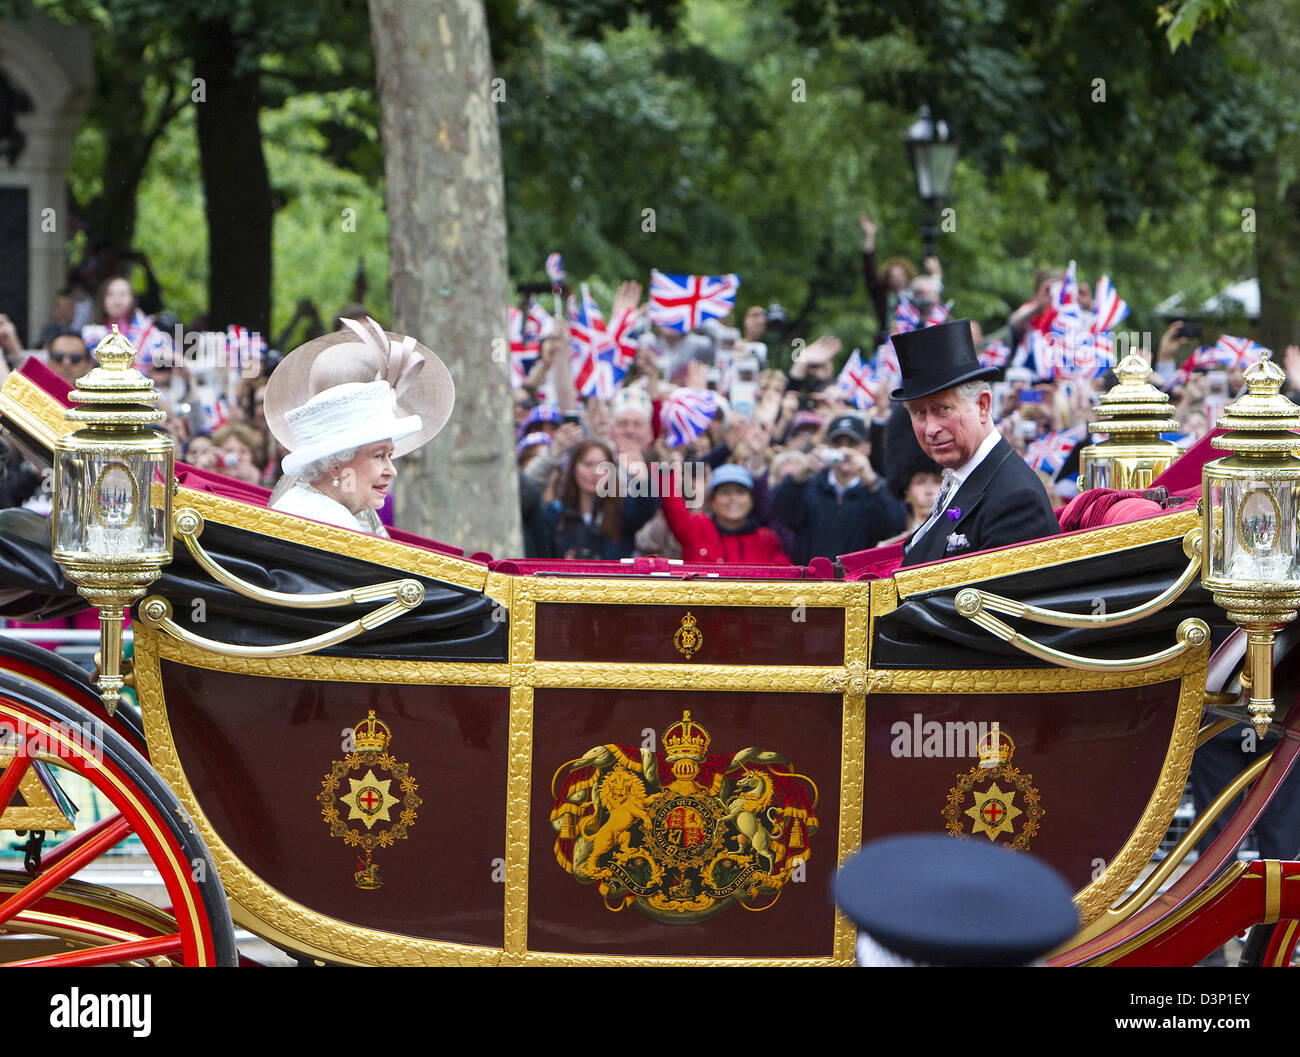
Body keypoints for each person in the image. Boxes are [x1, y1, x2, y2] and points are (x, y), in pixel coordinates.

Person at [262, 316, 454, 536]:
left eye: (389, 456)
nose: (391, 471)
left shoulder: (316, 505)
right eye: (378, 456)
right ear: (334, 462)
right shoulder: (333, 526)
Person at [893, 318, 1059, 567]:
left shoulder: (1015, 500)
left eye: (943, 409)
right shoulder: (963, 475)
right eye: (919, 413)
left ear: (983, 406)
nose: (931, 429)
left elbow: (991, 604)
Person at [771, 412, 906, 563]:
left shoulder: (876, 488)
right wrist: (798, 476)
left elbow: (895, 523)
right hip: (816, 578)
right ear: (827, 447)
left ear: (867, 448)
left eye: (852, 444)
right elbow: (780, 513)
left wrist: (871, 481)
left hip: (861, 580)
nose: (844, 450)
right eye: (837, 444)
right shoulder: (811, 485)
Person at [660, 463, 789, 565]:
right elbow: (672, 508)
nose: (733, 498)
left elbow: (787, 578)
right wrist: (665, 468)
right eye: (725, 492)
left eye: (740, 492)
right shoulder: (698, 528)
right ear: (712, 500)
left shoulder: (766, 539)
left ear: (752, 500)